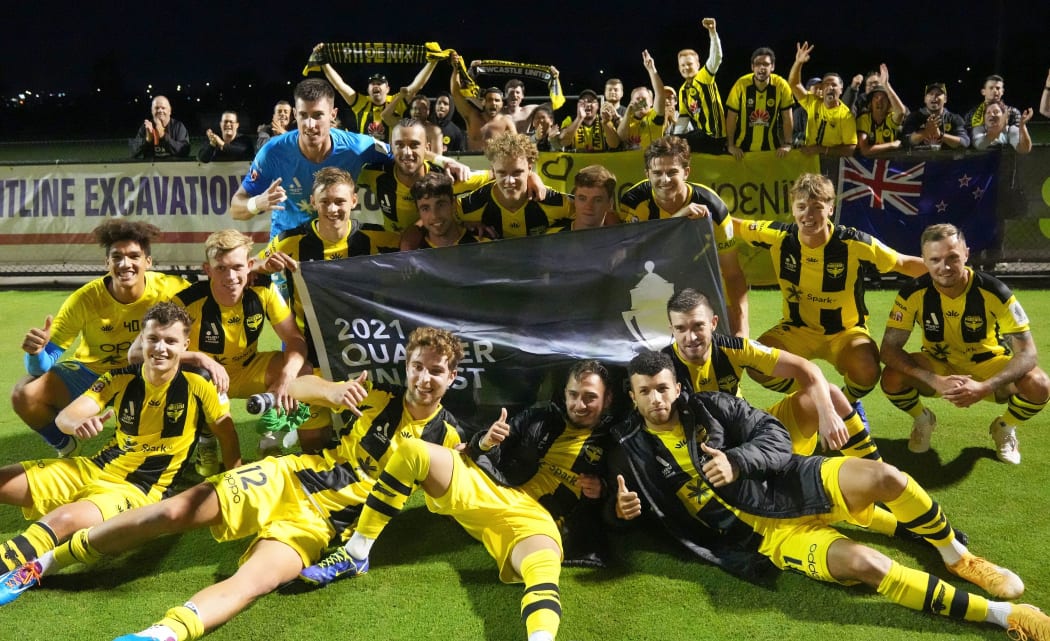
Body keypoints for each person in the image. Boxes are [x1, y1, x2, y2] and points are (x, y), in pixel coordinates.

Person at [0, 327, 465, 641]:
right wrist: (330, 391)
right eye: (419, 366)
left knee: (254, 581)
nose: (425, 378)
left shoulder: (448, 439)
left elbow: (455, 495)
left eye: (436, 371)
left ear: (452, 376)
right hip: (287, 478)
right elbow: (297, 391)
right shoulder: (374, 395)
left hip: (324, 525)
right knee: (174, 512)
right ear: (407, 365)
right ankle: (43, 564)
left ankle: (161, 634)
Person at [608, 350, 1050, 641]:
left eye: (663, 387)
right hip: (769, 537)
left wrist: (738, 462)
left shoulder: (713, 406)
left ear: (677, 388)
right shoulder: (630, 450)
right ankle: (1003, 616)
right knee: (868, 565)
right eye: (644, 391)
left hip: (786, 482)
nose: (656, 398)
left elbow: (776, 438)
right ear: (632, 395)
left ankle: (958, 557)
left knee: (886, 478)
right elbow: (620, 512)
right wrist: (624, 511)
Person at [300, 359, 617, 640]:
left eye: (590, 397)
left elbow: (627, 503)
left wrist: (604, 492)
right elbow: (484, 450)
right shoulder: (540, 417)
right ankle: (356, 553)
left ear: (607, 400)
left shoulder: (616, 441)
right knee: (412, 451)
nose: (580, 403)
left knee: (544, 571)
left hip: (533, 521)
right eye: (574, 394)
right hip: (490, 488)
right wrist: (486, 441)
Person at [0, 302, 239, 574]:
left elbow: (228, 436)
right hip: (93, 468)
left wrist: (237, 485)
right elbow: (65, 418)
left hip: (137, 490)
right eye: (153, 339)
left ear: (185, 345)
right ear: (143, 342)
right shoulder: (118, 378)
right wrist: (79, 423)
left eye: (170, 341)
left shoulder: (199, 387)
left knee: (63, 519)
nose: (161, 348)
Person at [732, 172, 926, 424]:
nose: (808, 215)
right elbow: (731, 224)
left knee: (867, 370)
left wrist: (953, 270)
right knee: (758, 364)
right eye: (801, 207)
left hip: (845, 332)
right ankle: (823, 399)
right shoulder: (778, 236)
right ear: (792, 208)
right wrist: (692, 206)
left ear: (831, 208)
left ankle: (846, 402)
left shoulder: (854, 243)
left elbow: (902, 263)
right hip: (797, 329)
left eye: (816, 207)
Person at [11, 221, 189, 456]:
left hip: (145, 374)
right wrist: (35, 353)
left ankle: (198, 443)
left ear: (148, 262)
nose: (125, 264)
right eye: (117, 257)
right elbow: (41, 367)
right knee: (24, 393)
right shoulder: (85, 299)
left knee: (201, 374)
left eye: (134, 256)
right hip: (91, 374)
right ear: (107, 263)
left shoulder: (172, 289)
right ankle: (67, 448)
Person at [254, 167, 398, 451]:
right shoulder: (290, 241)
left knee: (368, 441)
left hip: (362, 353)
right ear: (314, 202)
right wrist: (263, 265)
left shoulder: (378, 239)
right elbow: (251, 266)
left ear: (354, 201)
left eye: (340, 201)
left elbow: (420, 250)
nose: (332, 208)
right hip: (313, 353)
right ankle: (292, 422)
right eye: (325, 202)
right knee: (314, 445)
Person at [880, 224, 1049, 464]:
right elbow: (888, 350)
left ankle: (1005, 427)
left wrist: (985, 386)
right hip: (939, 366)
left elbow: (1028, 354)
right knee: (891, 377)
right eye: (935, 259)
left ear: (967, 254)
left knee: (1039, 384)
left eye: (953, 257)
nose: (945, 267)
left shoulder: (995, 291)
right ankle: (922, 419)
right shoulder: (912, 293)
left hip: (988, 366)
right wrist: (932, 380)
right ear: (924, 260)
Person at [663, 288, 879, 460]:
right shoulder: (661, 369)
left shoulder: (735, 348)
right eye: (681, 328)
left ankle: (877, 475)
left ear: (713, 323)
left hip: (750, 431)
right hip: (703, 451)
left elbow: (808, 369)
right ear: (671, 329)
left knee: (829, 395)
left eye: (698, 326)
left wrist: (827, 413)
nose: (690, 337)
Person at [162, 229, 309, 466]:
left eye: (237, 267)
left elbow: (295, 339)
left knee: (300, 371)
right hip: (204, 378)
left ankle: (271, 436)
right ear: (207, 270)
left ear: (250, 265)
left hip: (247, 368)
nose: (230, 276)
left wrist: (287, 377)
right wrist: (201, 359)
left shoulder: (264, 290)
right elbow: (155, 352)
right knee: (224, 428)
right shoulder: (186, 302)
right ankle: (206, 439)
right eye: (221, 268)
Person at [230, 78, 392, 242]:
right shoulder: (273, 152)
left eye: (317, 115)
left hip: (335, 245)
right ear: (295, 115)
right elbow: (236, 208)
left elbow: (404, 157)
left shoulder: (358, 146)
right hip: (287, 248)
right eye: (303, 115)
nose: (309, 124)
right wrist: (257, 203)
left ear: (332, 115)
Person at [619, 136, 749, 338]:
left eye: (672, 172)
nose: (665, 180)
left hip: (695, 283)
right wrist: (679, 219)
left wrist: (742, 328)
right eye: (657, 173)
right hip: (648, 285)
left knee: (726, 338)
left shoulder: (713, 208)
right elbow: (633, 257)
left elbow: (732, 274)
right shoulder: (633, 201)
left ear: (686, 172)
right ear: (647, 174)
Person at [357, 119, 489, 233]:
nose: (407, 152)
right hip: (394, 254)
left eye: (414, 145)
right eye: (400, 145)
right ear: (391, 147)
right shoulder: (374, 174)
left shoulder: (447, 177)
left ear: (427, 148)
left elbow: (497, 176)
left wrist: (482, 220)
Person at [316, 43, 439, 143]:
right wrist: (324, 63)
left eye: (380, 83)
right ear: (368, 89)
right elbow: (339, 85)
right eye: (372, 84)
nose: (375, 85)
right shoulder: (361, 102)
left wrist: (432, 62)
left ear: (388, 89)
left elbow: (418, 84)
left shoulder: (396, 101)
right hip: (366, 160)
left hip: (390, 159)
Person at [458, 132, 572, 238]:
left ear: (529, 169)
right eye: (502, 173)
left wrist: (555, 234)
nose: (509, 181)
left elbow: (585, 212)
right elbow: (443, 215)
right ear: (493, 170)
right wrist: (463, 225)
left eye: (517, 172)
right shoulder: (476, 202)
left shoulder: (549, 199)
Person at [788, 42, 857, 157]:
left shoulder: (846, 115)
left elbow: (850, 149)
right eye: (826, 84)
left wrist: (821, 150)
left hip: (831, 162)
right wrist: (798, 63)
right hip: (808, 160)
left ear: (841, 89)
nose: (830, 87)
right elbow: (794, 84)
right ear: (822, 88)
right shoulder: (813, 102)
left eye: (834, 85)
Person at [724, 47, 794, 159]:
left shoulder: (782, 85)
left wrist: (788, 144)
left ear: (772, 67)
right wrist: (731, 145)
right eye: (757, 64)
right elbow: (731, 117)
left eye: (766, 64)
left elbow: (787, 117)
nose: (761, 67)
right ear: (752, 67)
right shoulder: (741, 84)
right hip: (742, 149)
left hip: (771, 149)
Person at [676, 17, 727, 154]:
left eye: (690, 64)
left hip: (715, 137)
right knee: (672, 144)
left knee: (674, 146)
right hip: (701, 136)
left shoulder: (704, 77)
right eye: (682, 65)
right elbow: (683, 118)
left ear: (698, 65)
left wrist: (712, 32)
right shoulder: (682, 91)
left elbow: (717, 57)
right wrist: (675, 139)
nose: (686, 67)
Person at [400, 172, 489, 249]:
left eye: (440, 205)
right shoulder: (413, 254)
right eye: (425, 209)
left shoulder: (484, 244)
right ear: (418, 211)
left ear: (453, 204)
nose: (435, 215)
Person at [451, 54, 517, 152]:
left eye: (497, 100)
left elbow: (517, 146)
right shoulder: (472, 116)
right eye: (490, 100)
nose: (493, 103)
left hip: (496, 165)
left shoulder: (506, 122)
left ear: (502, 104)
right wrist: (456, 68)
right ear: (483, 102)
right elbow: (456, 93)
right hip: (472, 164)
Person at [617, 50, 667, 152]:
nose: (640, 102)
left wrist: (651, 70)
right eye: (637, 100)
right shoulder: (627, 120)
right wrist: (627, 114)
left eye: (643, 99)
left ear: (651, 102)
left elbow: (660, 94)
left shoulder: (654, 116)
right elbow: (621, 138)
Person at [855, 65, 909, 156]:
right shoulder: (864, 119)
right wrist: (891, 145)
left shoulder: (890, 118)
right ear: (870, 104)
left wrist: (886, 85)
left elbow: (901, 112)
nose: (879, 101)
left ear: (889, 104)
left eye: (883, 98)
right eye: (875, 97)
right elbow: (864, 150)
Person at [548, 165, 619, 233]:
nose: (588, 207)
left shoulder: (622, 242)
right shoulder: (550, 239)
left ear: (610, 203)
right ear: (574, 200)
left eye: (597, 200)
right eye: (582, 199)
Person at [901, 83, 969, 150]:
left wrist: (940, 135)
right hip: (920, 160)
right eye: (931, 94)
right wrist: (926, 132)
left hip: (946, 160)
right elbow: (905, 141)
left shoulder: (955, 118)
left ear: (945, 99)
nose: (934, 96)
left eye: (938, 94)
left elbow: (965, 142)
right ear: (925, 99)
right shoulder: (914, 117)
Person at [131, 95, 190, 160]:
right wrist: (147, 140)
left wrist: (164, 136)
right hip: (152, 168)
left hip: (172, 168)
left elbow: (185, 151)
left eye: (163, 108)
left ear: (169, 111)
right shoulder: (146, 127)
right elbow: (133, 152)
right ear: (152, 111)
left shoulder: (178, 126)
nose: (160, 110)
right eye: (156, 108)